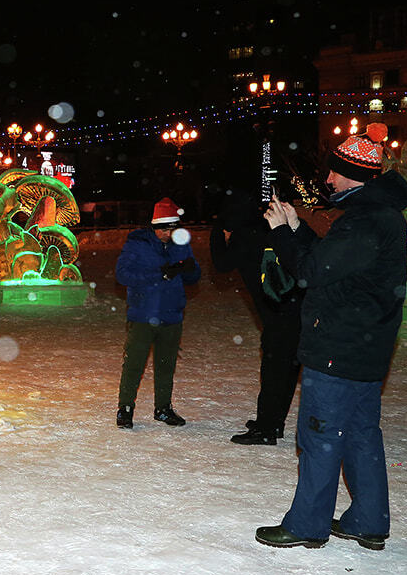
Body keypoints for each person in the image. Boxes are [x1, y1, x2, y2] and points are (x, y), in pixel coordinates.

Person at [255, 123, 407, 550]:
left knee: (320, 436)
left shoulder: (365, 221)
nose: (328, 180)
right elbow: (329, 260)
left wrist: (283, 234)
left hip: (338, 349)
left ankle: (307, 524)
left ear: (355, 175)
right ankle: (368, 519)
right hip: (366, 347)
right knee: (361, 433)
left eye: (335, 173)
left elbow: (310, 272)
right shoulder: (379, 216)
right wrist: (296, 228)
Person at [210, 188, 303, 445]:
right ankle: (274, 422)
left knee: (274, 370)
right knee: (287, 370)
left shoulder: (244, 236)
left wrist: (218, 234)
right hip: (296, 309)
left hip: (279, 315)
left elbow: (221, 264)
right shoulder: (267, 230)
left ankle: (266, 428)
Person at [114, 197, 201, 429]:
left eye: (171, 229)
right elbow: (122, 274)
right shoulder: (137, 244)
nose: (166, 234)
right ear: (154, 227)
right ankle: (125, 409)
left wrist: (190, 270)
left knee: (166, 365)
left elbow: (193, 276)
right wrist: (158, 274)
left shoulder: (181, 244)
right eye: (162, 229)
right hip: (143, 314)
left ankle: (163, 408)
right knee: (134, 363)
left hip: (171, 314)